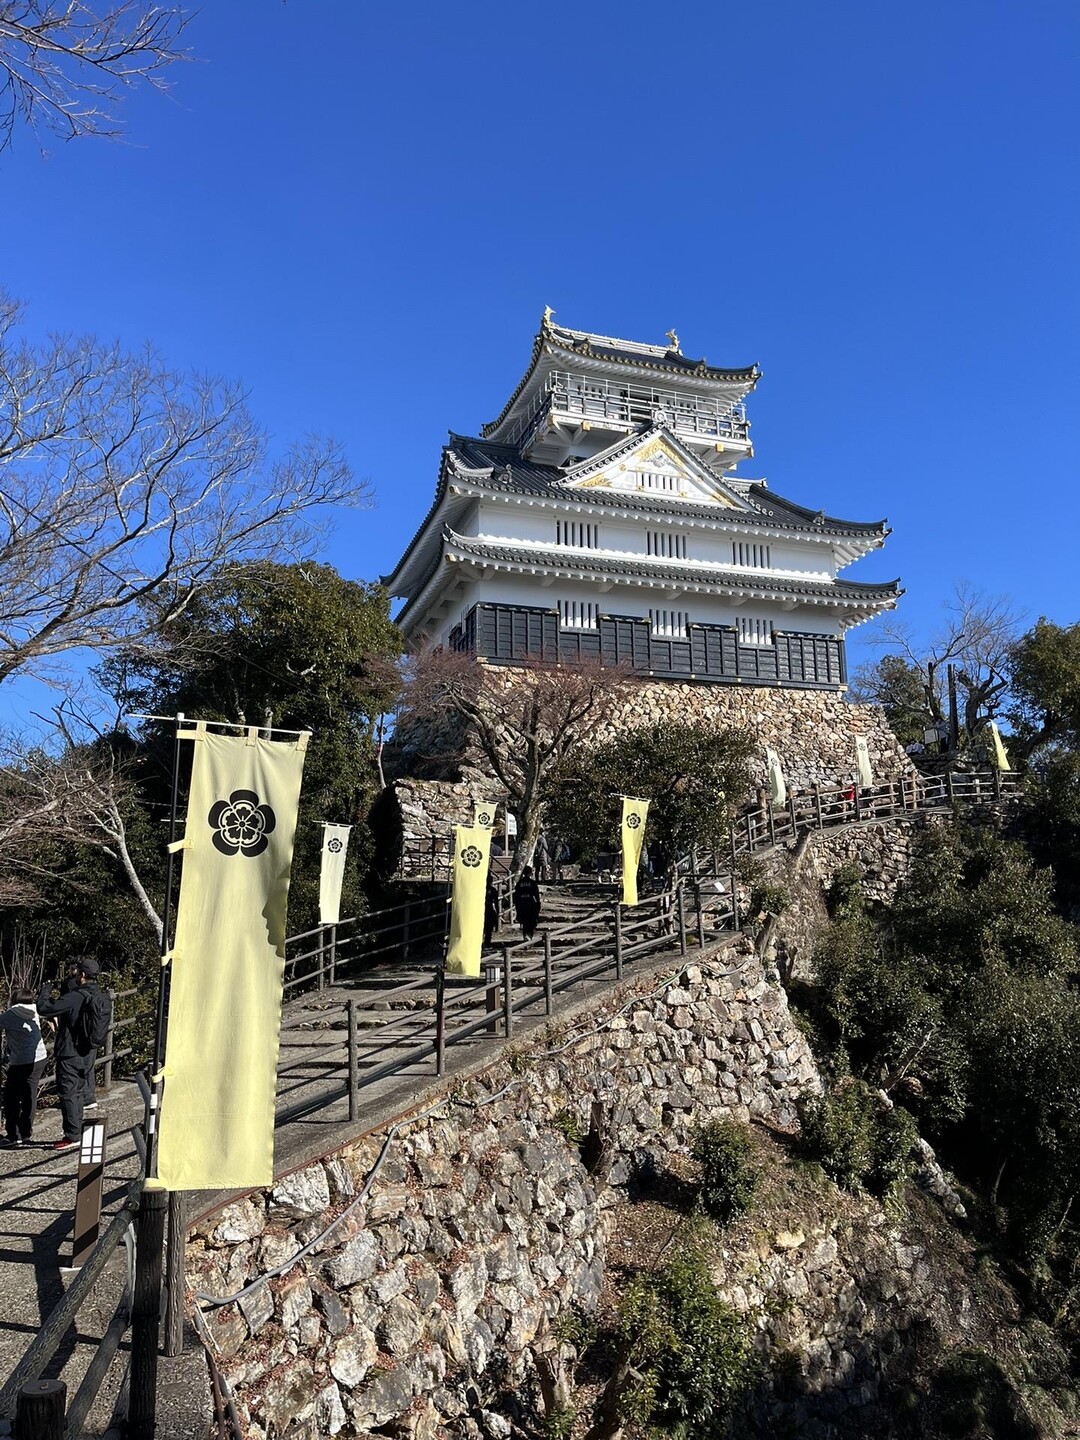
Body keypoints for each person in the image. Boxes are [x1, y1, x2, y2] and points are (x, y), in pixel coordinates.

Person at [37, 957, 110, 1152]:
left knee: (68, 1092)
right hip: (88, 1050)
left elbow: (45, 1008)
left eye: (75, 971)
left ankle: (72, 1135)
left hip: (70, 1052)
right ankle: (75, 1131)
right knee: (77, 1090)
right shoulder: (97, 994)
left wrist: (45, 990)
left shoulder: (76, 996)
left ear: (82, 975)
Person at [0, 988, 47, 1147]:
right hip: (39, 1057)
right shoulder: (35, 1010)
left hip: (21, 1060)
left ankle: (13, 1135)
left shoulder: (11, 1014)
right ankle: (25, 1133)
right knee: (30, 1094)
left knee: (11, 1097)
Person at [513, 865, 542, 942]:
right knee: (531, 921)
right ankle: (529, 936)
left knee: (524, 922)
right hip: (530, 903)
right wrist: (538, 905)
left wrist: (516, 906)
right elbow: (536, 895)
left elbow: (516, 895)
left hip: (522, 904)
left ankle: (525, 935)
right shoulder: (532, 883)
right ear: (530, 873)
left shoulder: (519, 883)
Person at [483, 878, 500, 950]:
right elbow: (496, 902)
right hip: (490, 909)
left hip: (482, 909)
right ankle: (487, 943)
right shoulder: (493, 890)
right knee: (489, 929)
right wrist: (498, 911)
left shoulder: (480, 889)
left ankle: (481, 943)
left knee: (483, 928)